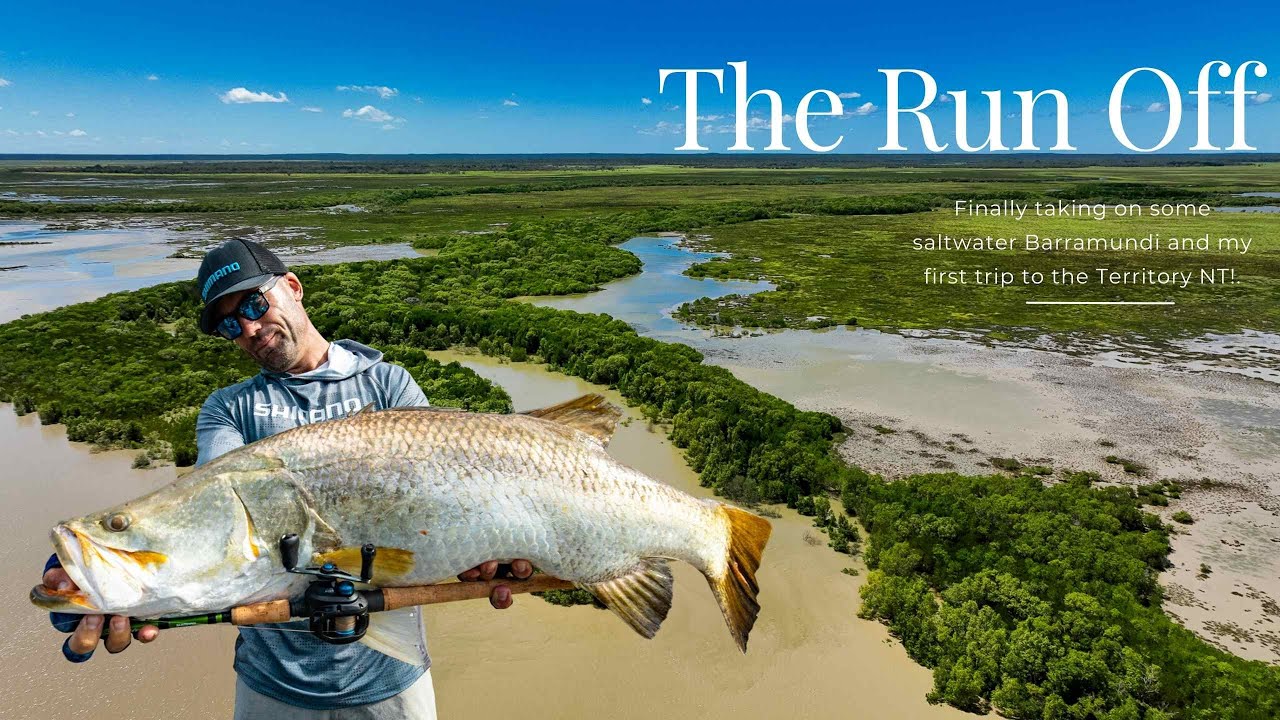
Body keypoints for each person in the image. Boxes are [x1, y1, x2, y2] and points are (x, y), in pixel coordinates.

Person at [40, 238, 531, 719]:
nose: (250, 327)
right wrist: (96, 574)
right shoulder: (229, 409)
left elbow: (438, 501)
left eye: (254, 303)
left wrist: (494, 544)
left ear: (292, 286)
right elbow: (212, 507)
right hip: (272, 686)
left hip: (392, 678)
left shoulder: (388, 384)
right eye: (231, 323)